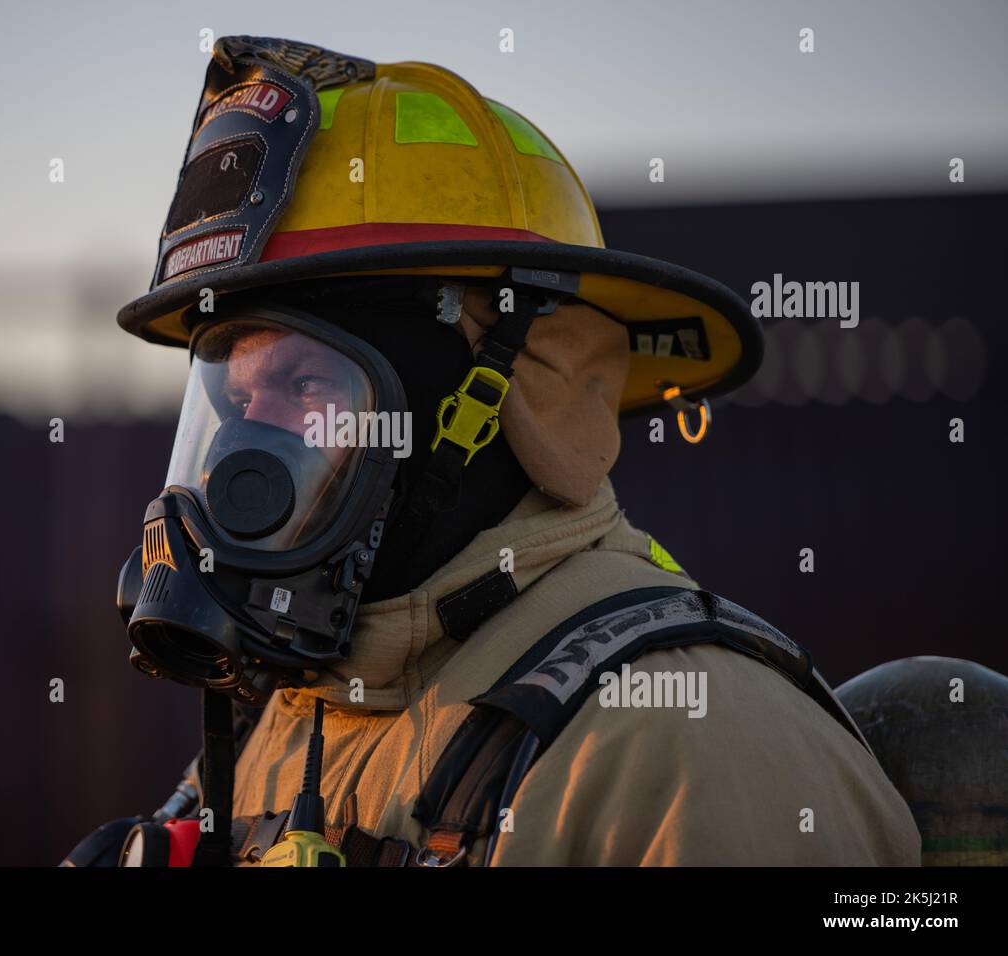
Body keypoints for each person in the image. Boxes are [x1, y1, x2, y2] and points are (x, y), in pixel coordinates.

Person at [64, 35, 920, 867]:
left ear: (522, 381)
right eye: (236, 401)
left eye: (309, 386)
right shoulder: (278, 718)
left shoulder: (690, 744)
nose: (244, 455)